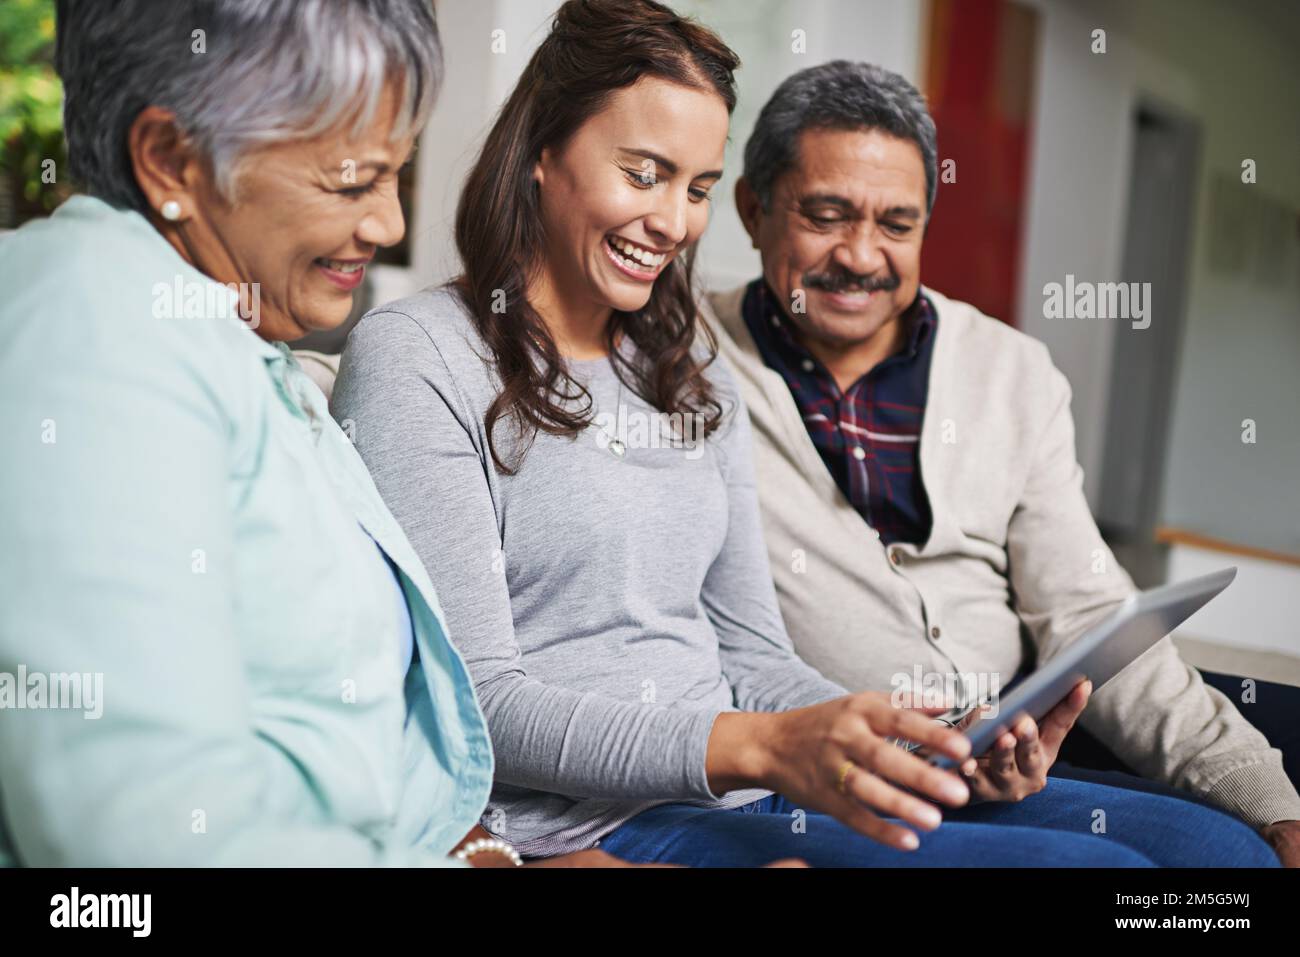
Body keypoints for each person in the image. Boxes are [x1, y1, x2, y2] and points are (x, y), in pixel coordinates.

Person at [332, 0, 1277, 867]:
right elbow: (477, 703)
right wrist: (769, 748)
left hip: (750, 788)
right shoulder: (420, 357)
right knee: (1103, 875)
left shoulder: (683, 371)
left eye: (696, 185)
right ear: (542, 150)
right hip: (595, 817)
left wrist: (920, 747)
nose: (671, 222)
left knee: (1219, 854)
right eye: (644, 173)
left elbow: (750, 654)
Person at [0, 0, 645, 869]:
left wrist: (485, 851)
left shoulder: (236, 342)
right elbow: (141, 830)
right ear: (170, 161)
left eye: (396, 177)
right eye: (351, 181)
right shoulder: (93, 320)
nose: (389, 226)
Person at [695, 59, 1300, 865]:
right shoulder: (684, 361)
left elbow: (1084, 608)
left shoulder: (1011, 371)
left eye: (897, 224)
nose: (861, 256)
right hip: (840, 770)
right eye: (827, 214)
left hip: (1011, 753)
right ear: (753, 208)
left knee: (1235, 857)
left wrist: (1266, 799)